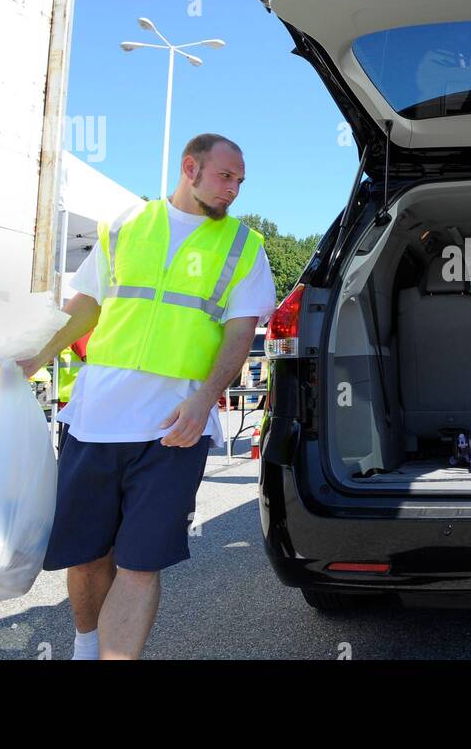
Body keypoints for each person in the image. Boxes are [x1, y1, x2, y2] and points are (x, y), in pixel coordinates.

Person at [18, 133, 277, 659]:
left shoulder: (244, 247)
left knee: (139, 562)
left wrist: (206, 399)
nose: (234, 190)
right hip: (95, 417)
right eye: (226, 177)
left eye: (240, 182)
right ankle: (85, 647)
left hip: (174, 428)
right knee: (88, 556)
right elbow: (85, 307)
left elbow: (239, 333)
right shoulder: (124, 228)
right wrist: (35, 358)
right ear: (191, 167)